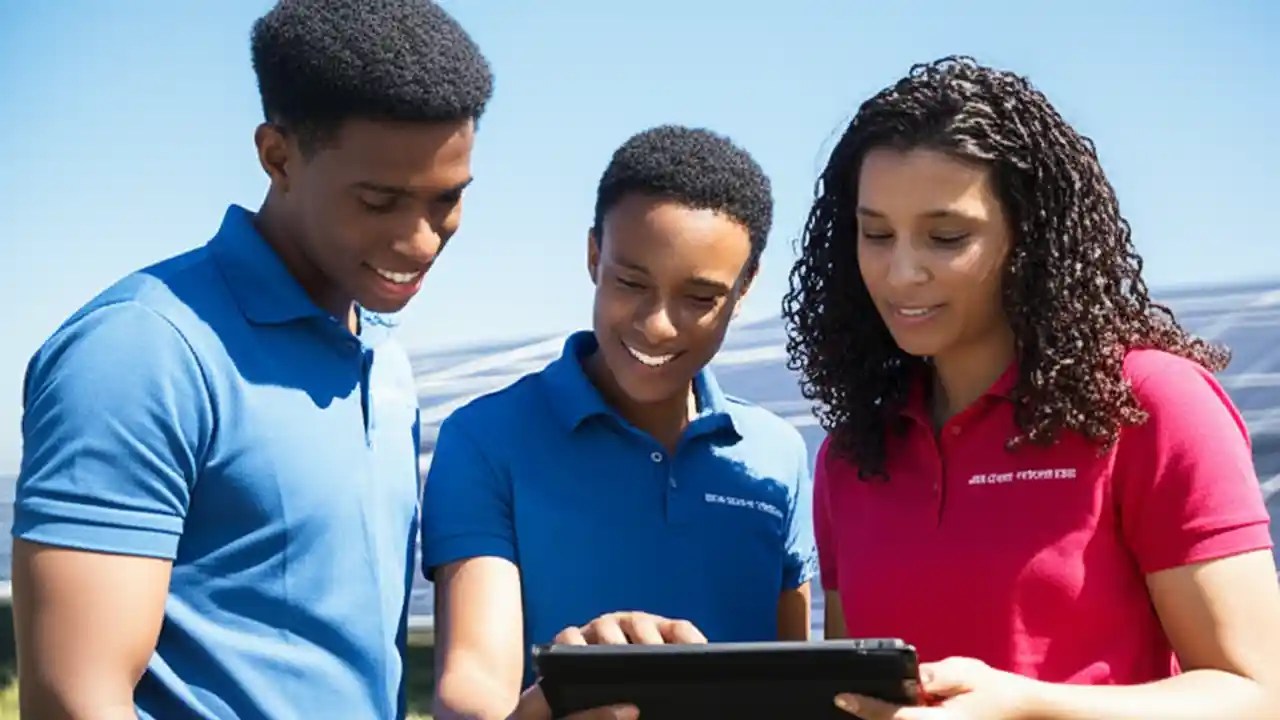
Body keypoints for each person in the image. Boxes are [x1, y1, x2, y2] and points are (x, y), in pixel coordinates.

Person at [10, 1, 493, 718]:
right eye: (380, 200)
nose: (421, 240)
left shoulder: (385, 360)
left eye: (446, 200)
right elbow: (73, 698)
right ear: (277, 156)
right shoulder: (140, 351)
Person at [779, 56, 1280, 718]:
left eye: (946, 237)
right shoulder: (851, 457)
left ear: (1030, 237)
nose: (901, 272)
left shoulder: (1150, 405)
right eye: (876, 234)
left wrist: (1029, 707)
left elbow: (1257, 693)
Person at [420, 124, 818, 719]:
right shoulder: (486, 439)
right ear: (592, 256)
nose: (658, 325)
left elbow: (796, 685)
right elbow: (470, 688)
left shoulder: (777, 455)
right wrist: (569, 687)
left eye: (701, 297)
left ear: (745, 288)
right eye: (631, 282)